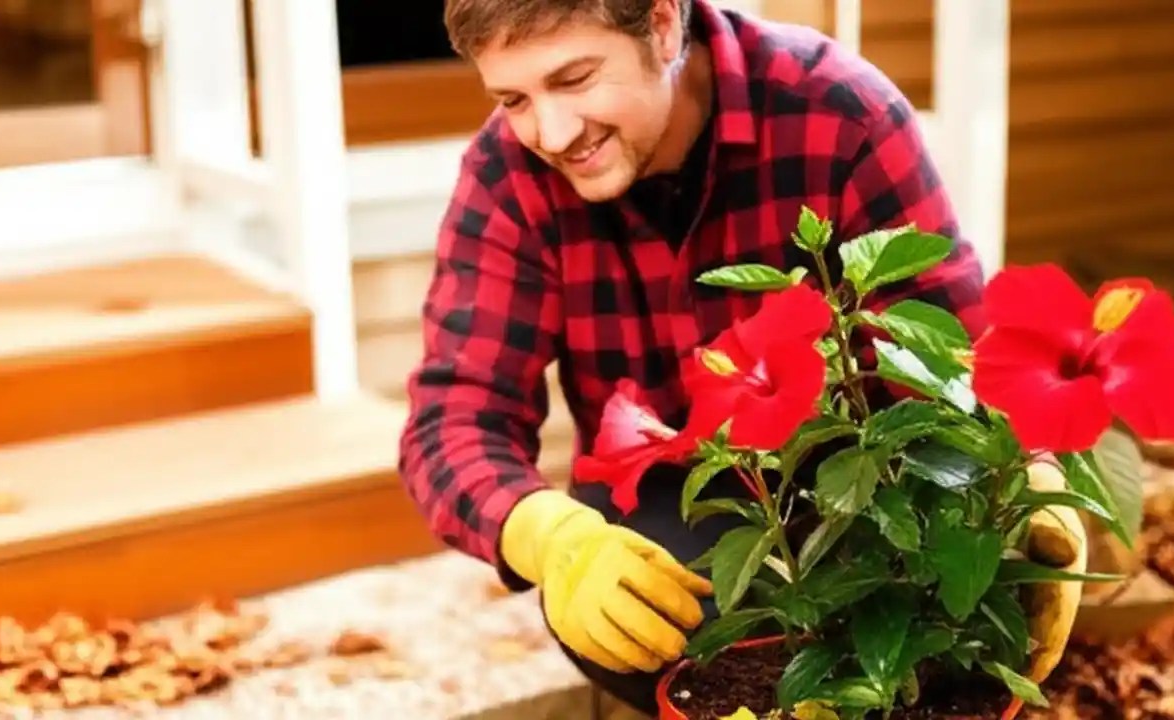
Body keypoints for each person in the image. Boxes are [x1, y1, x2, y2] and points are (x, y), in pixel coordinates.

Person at [397, 0, 1087, 714]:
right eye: (514, 98)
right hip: (674, 496)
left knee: (956, 613)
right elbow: (454, 415)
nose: (552, 132)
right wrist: (546, 536)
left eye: (574, 79)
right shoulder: (507, 172)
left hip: (861, 482)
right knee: (643, 618)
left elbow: (953, 349)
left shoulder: (836, 113)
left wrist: (1030, 474)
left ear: (662, 24)